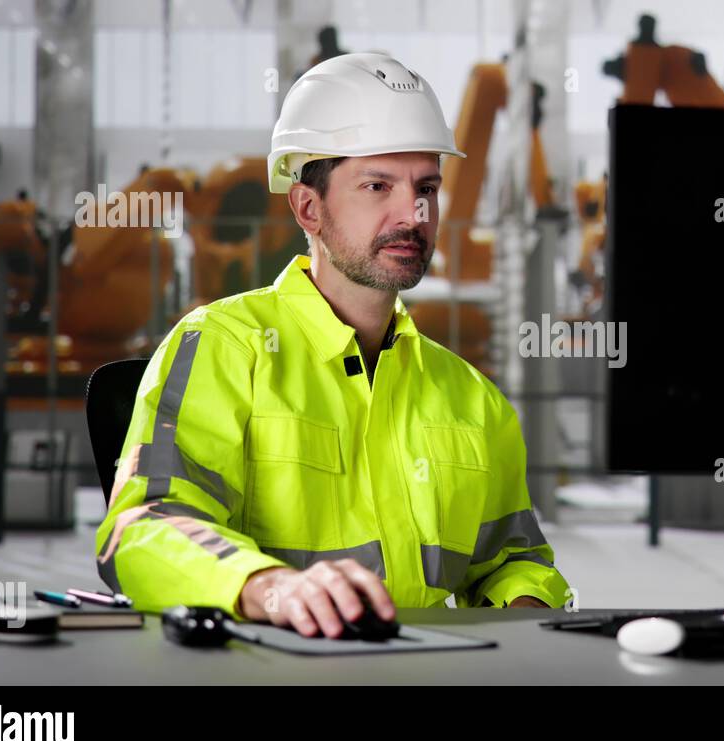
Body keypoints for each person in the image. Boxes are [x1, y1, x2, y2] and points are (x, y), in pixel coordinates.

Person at [96, 52, 571, 639]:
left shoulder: (471, 397)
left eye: (427, 187)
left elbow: (512, 560)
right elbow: (143, 528)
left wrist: (525, 606)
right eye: (378, 186)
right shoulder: (223, 349)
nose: (414, 213)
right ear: (308, 207)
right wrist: (267, 588)